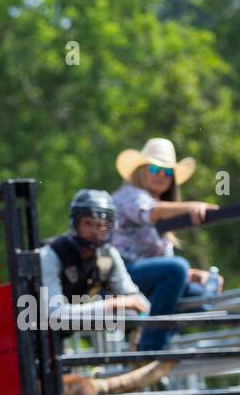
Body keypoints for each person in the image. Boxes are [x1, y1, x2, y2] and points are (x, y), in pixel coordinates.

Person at [111, 138, 222, 352]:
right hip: (119, 275)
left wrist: (196, 274)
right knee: (177, 268)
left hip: (143, 278)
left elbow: (163, 266)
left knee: (200, 294)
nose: (162, 175)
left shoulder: (163, 209)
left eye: (168, 172)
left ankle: (145, 335)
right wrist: (194, 207)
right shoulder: (130, 195)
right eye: (155, 168)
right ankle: (152, 347)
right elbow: (152, 212)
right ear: (142, 170)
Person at [39, 189, 149, 332]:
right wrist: (111, 305)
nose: (95, 231)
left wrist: (135, 312)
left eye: (101, 225)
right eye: (88, 223)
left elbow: (138, 301)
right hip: (33, 335)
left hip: (67, 333)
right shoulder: (51, 254)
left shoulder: (109, 255)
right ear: (76, 223)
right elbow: (54, 315)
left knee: (129, 313)